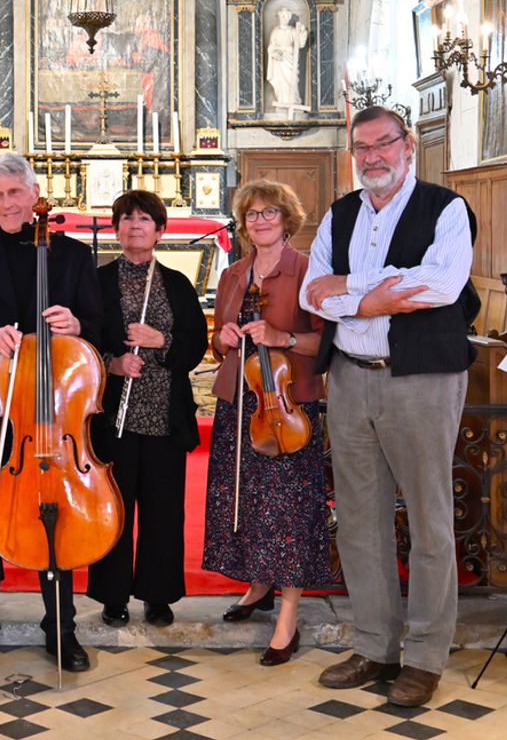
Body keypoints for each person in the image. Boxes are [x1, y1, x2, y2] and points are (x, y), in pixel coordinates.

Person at [301, 105, 478, 707]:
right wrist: (376, 298)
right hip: (350, 377)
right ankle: (375, 644)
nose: (372, 156)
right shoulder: (340, 214)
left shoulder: (445, 208)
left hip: (421, 380)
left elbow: (441, 286)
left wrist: (355, 290)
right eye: (362, 147)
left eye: (384, 144)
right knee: (358, 518)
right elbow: (310, 292)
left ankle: (426, 655)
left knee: (429, 520)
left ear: (408, 145)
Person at [0, 152, 103, 674]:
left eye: (16, 192)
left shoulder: (73, 257)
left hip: (54, 418)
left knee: (55, 519)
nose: (8, 203)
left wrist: (76, 324)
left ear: (35, 195)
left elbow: (98, 327)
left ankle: (62, 630)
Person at [201, 180, 330, 667]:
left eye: (270, 212)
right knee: (250, 502)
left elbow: (327, 342)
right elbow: (217, 341)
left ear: (287, 219)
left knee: (290, 513)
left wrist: (281, 336)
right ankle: (258, 585)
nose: (260, 220)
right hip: (240, 401)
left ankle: (288, 618)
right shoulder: (234, 273)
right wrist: (226, 337)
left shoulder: (309, 270)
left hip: (289, 406)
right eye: (252, 214)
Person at [87, 191, 206, 629]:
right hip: (111, 416)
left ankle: (158, 595)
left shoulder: (176, 283)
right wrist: (112, 363)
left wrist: (162, 342)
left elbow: (196, 345)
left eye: (144, 219)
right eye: (126, 219)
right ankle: (112, 594)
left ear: (160, 230)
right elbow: (78, 343)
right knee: (114, 508)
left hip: (163, 415)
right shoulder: (96, 281)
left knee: (163, 509)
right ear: (116, 228)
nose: (135, 226)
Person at [266, 6, 309, 114]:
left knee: (292, 80)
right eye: (282, 16)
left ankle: (293, 101)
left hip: (290, 60)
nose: (283, 18)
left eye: (285, 17)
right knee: (280, 82)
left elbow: (300, 43)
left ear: (289, 18)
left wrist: (303, 32)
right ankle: (282, 101)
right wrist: (275, 52)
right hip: (279, 61)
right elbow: (271, 46)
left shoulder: (292, 30)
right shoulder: (275, 31)